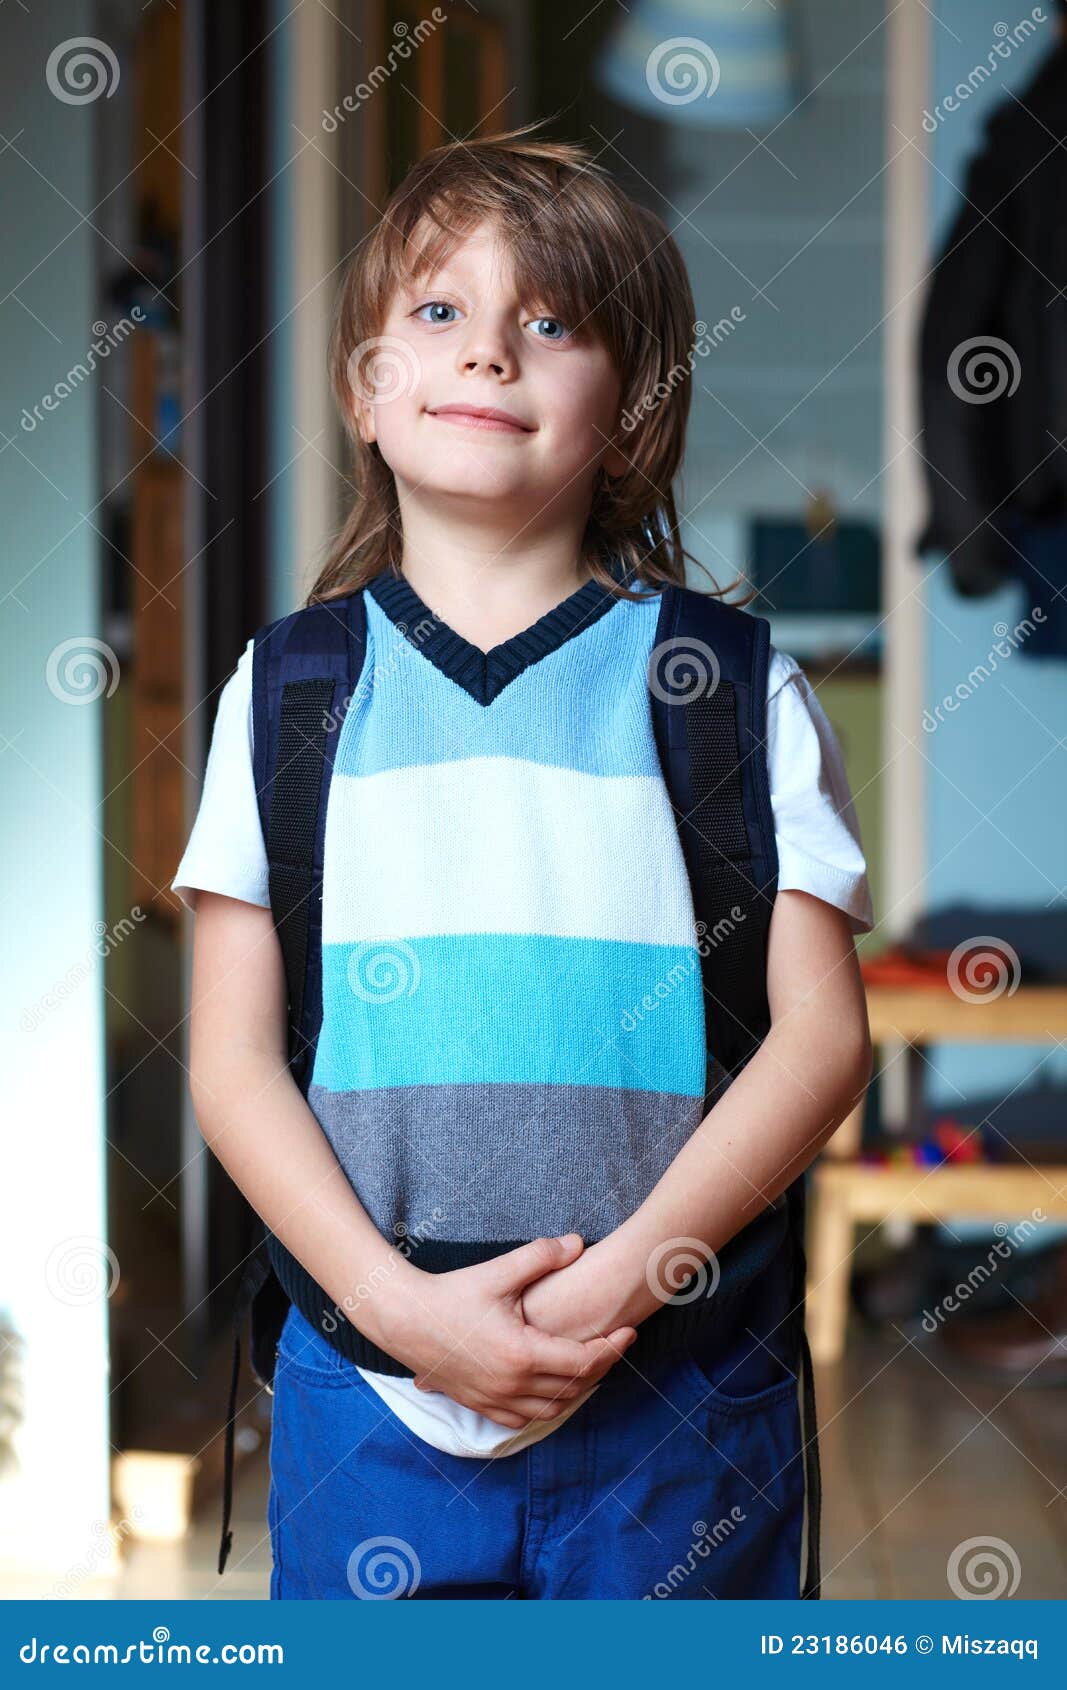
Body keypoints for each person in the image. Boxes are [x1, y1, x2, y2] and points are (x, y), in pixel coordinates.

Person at [172, 123, 874, 1600]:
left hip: (677, 1397)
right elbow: (233, 1064)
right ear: (370, 392)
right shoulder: (287, 691)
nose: (489, 353)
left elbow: (820, 1038)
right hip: (370, 1397)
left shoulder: (733, 691)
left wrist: (621, 1286)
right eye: (439, 313)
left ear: (627, 414)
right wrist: (402, 1312)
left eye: (549, 324)